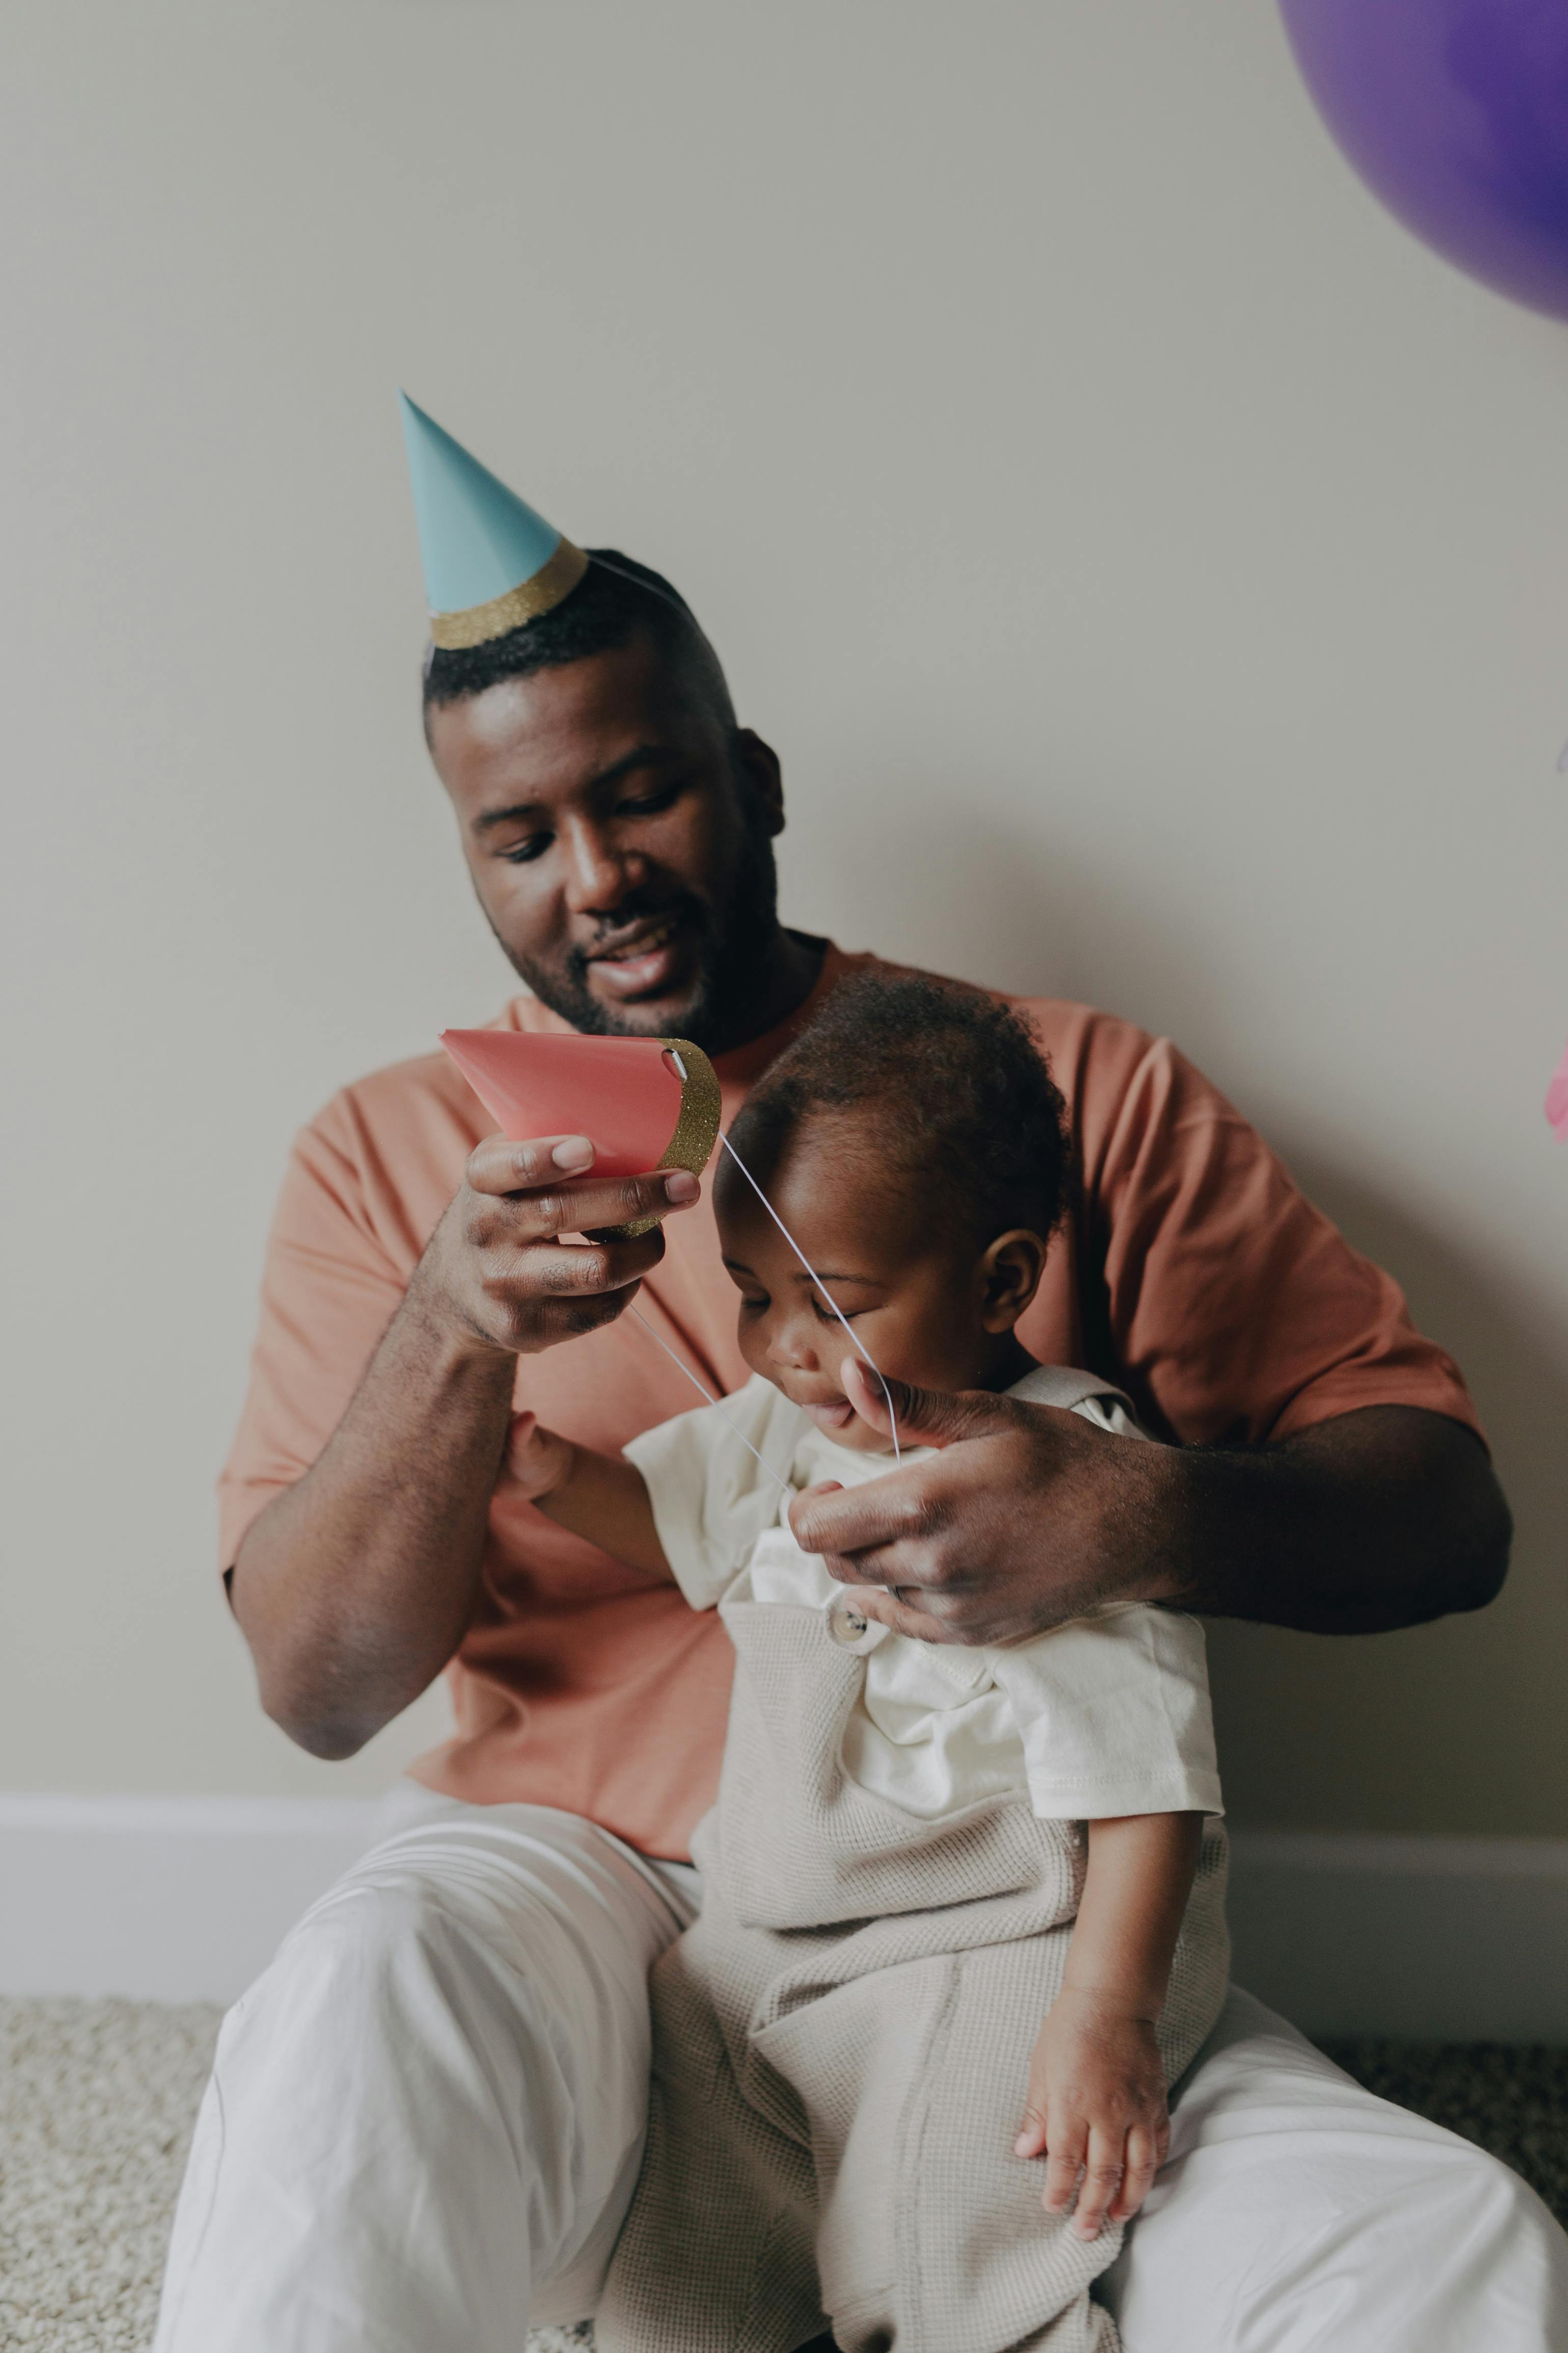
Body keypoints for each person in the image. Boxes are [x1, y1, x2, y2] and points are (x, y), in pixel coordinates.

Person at [154, 401, 1567, 2353]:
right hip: (585, 1899)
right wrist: (450, 1337)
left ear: (753, 779)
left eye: (642, 793)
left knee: (1445, 2252)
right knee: (355, 1998)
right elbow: (317, 1689)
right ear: (471, 861)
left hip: (1002, 1926)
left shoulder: (1064, 1094)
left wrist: (1128, 1513)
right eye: (520, 835)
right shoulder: (390, 1159)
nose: (597, 875)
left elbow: (1448, 1516)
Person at [506, 970, 1229, 2353]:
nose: (783, 1348)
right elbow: (670, 1524)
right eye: (754, 1296)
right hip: (782, 1919)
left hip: (1010, 1927)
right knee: (687, 2195)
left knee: (966, 2203)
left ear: (1003, 1280)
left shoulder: (1062, 1474)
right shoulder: (784, 1421)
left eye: (830, 1304)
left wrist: (1104, 2014)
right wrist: (538, 1465)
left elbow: (1145, 1777)